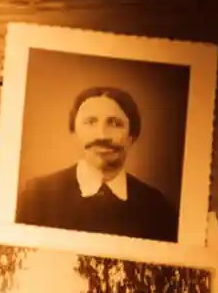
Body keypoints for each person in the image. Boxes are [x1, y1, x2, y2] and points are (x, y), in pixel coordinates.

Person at [15, 86, 179, 242]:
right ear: (74, 132)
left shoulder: (158, 209)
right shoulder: (37, 196)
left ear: (132, 136)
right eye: (90, 122)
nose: (102, 135)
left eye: (115, 123)